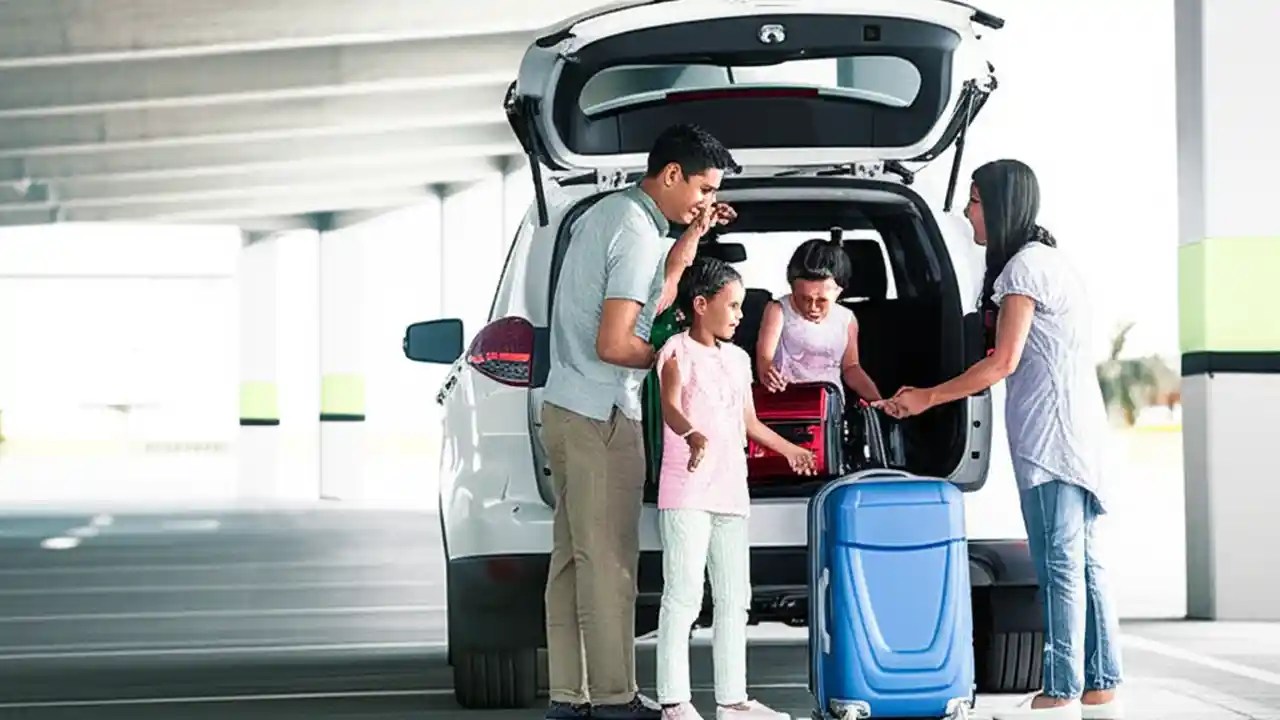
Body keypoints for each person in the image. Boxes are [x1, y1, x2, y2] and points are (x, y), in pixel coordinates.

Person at [874, 159, 1123, 720]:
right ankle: (1101, 681)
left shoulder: (1023, 272)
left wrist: (927, 396)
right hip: (1071, 432)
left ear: (1001, 204)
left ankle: (1060, 688)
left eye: (976, 201)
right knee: (1083, 561)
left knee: (1060, 562)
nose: (969, 213)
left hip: (1052, 439)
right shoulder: (1048, 262)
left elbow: (1001, 363)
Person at [539, 123, 741, 720]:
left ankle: (570, 697)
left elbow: (662, 288)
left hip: (567, 407)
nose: (706, 201)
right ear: (671, 174)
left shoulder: (618, 216)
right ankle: (615, 698)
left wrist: (695, 232)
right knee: (610, 561)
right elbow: (613, 341)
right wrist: (671, 356)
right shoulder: (633, 233)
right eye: (703, 190)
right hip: (603, 412)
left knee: (575, 559)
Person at [654, 257, 813, 720]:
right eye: (734, 305)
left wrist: (790, 450)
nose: (741, 315)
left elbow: (749, 422)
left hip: (729, 491)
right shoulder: (676, 352)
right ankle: (674, 701)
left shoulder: (739, 359)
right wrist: (692, 435)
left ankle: (733, 700)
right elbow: (669, 406)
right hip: (686, 493)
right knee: (683, 595)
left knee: (734, 597)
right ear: (700, 305)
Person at [754, 238, 882, 403]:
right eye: (804, 299)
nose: (812, 307)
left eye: (821, 300)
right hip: (786, 404)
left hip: (829, 407)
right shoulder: (778, 310)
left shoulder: (847, 319)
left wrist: (878, 401)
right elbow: (765, 359)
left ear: (838, 291)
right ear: (792, 288)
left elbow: (851, 368)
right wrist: (767, 372)